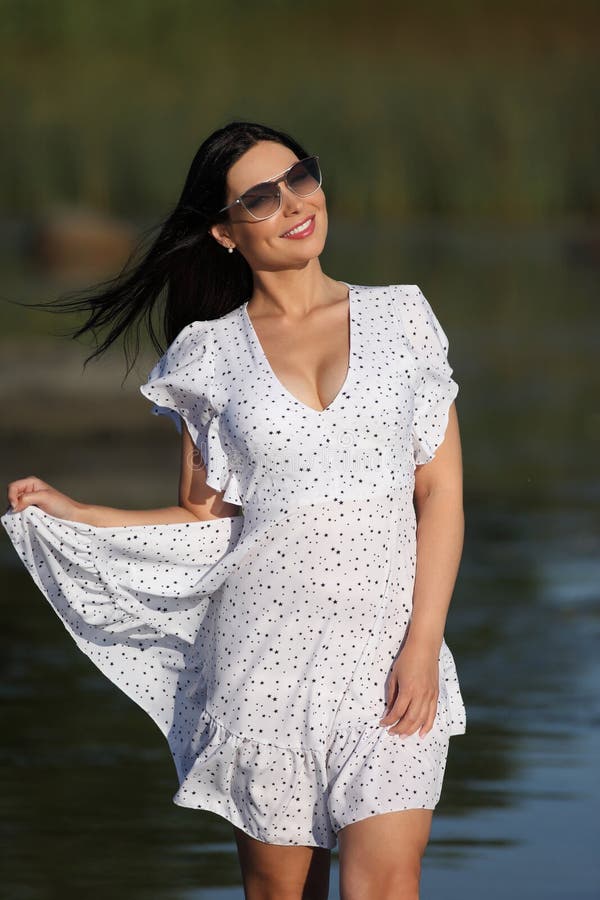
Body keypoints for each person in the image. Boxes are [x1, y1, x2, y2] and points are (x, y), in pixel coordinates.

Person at [2, 120, 467, 900]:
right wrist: (79, 509)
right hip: (263, 662)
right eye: (261, 196)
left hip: (390, 657)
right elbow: (203, 517)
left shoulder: (403, 318)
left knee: (388, 884)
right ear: (224, 232)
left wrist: (422, 645)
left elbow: (441, 492)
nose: (294, 203)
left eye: (300, 177)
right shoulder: (208, 354)